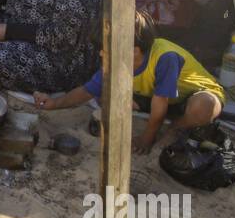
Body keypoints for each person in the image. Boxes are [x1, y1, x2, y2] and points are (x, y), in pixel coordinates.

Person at [35, 9, 224, 153]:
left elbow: (161, 101)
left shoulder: (166, 57)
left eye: (106, 49)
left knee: (204, 106)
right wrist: (54, 103)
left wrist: (147, 138)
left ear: (133, 50)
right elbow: (87, 91)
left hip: (190, 97)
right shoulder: (117, 60)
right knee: (107, 97)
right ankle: (162, 120)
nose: (101, 53)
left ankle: (174, 129)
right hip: (156, 98)